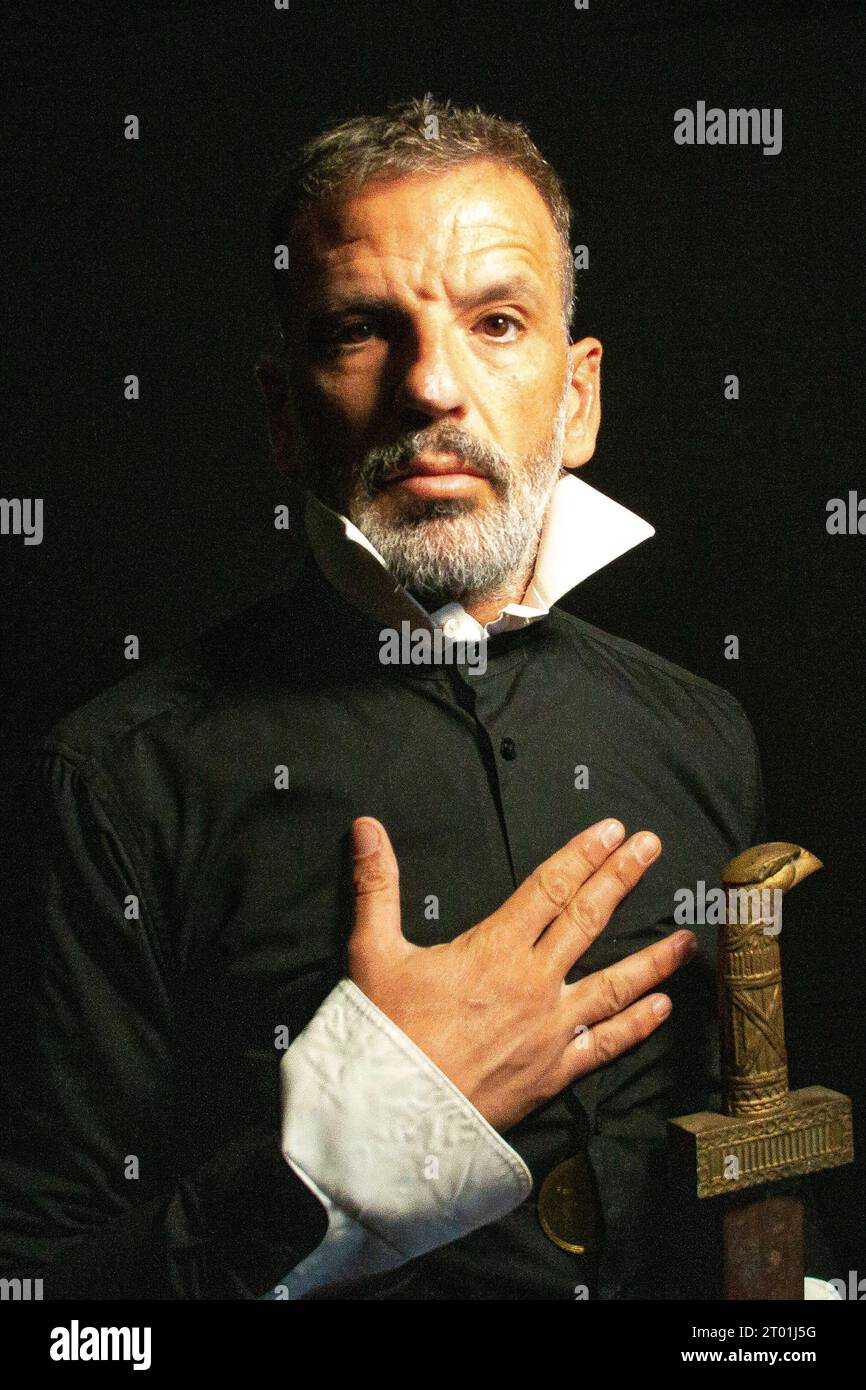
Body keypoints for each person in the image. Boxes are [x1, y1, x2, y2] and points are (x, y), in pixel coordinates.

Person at [0, 95, 772, 1300]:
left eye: (496, 321)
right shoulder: (111, 786)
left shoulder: (702, 733)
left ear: (576, 401)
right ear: (279, 413)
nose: (430, 387)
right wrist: (360, 1134)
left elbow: (762, 1156)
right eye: (361, 330)